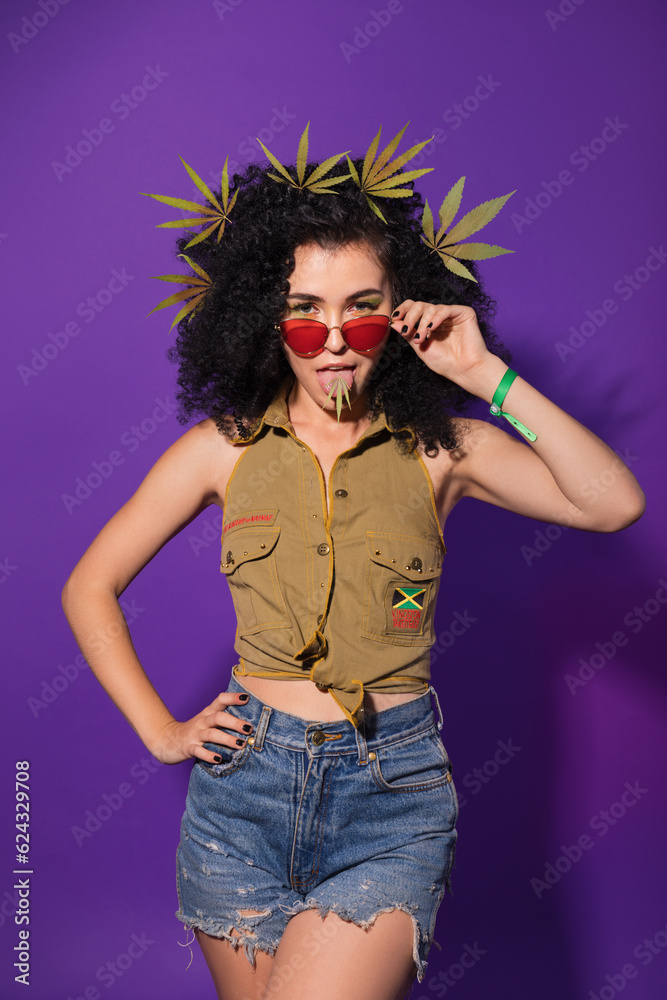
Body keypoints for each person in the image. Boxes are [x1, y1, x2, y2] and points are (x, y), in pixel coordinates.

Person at [61, 124, 645, 1000]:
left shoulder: (447, 450)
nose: (333, 338)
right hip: (240, 800)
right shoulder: (218, 451)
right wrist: (161, 729)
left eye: (362, 307)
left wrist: (484, 372)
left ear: (402, 311)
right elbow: (88, 585)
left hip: (388, 796)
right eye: (304, 312)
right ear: (267, 320)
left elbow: (611, 502)